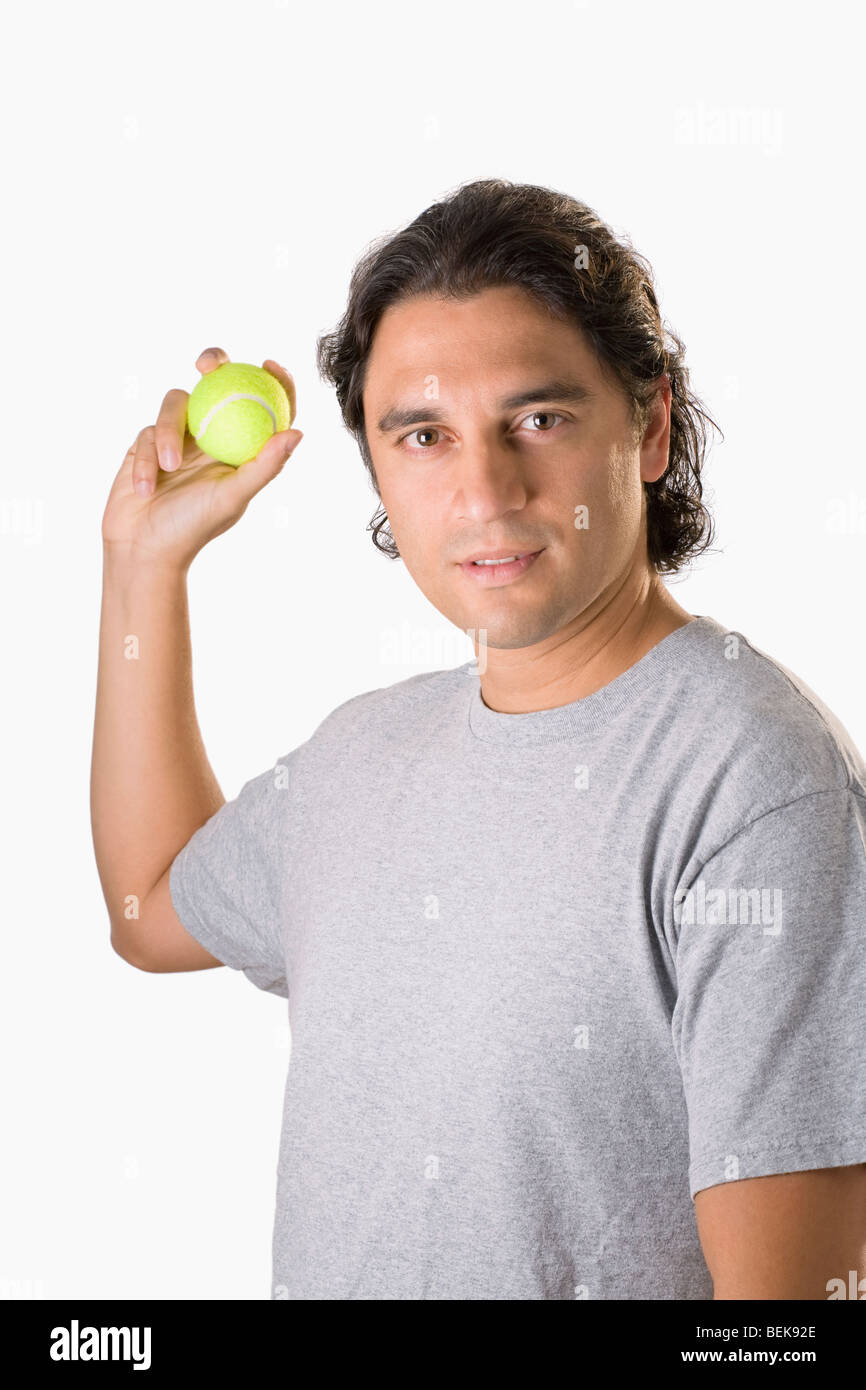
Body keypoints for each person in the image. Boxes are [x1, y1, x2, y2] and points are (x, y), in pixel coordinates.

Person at [91, 178, 866, 1301]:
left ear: (646, 426)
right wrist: (143, 566)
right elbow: (148, 909)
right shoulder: (361, 754)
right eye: (422, 434)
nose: (482, 490)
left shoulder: (750, 782)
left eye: (537, 419)